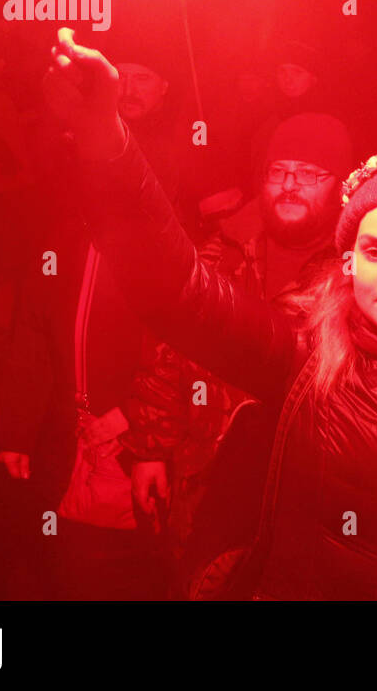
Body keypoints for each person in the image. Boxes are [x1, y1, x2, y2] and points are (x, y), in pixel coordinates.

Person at [42, 28, 377, 599]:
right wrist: (106, 137)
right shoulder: (302, 360)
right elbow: (178, 289)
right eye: (374, 250)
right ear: (347, 264)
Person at [125, 113, 352, 597]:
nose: (290, 185)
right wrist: (149, 449)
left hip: (305, 499)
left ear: (340, 188)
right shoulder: (218, 257)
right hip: (204, 484)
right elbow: (168, 352)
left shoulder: (355, 278)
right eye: (278, 171)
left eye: (310, 173)